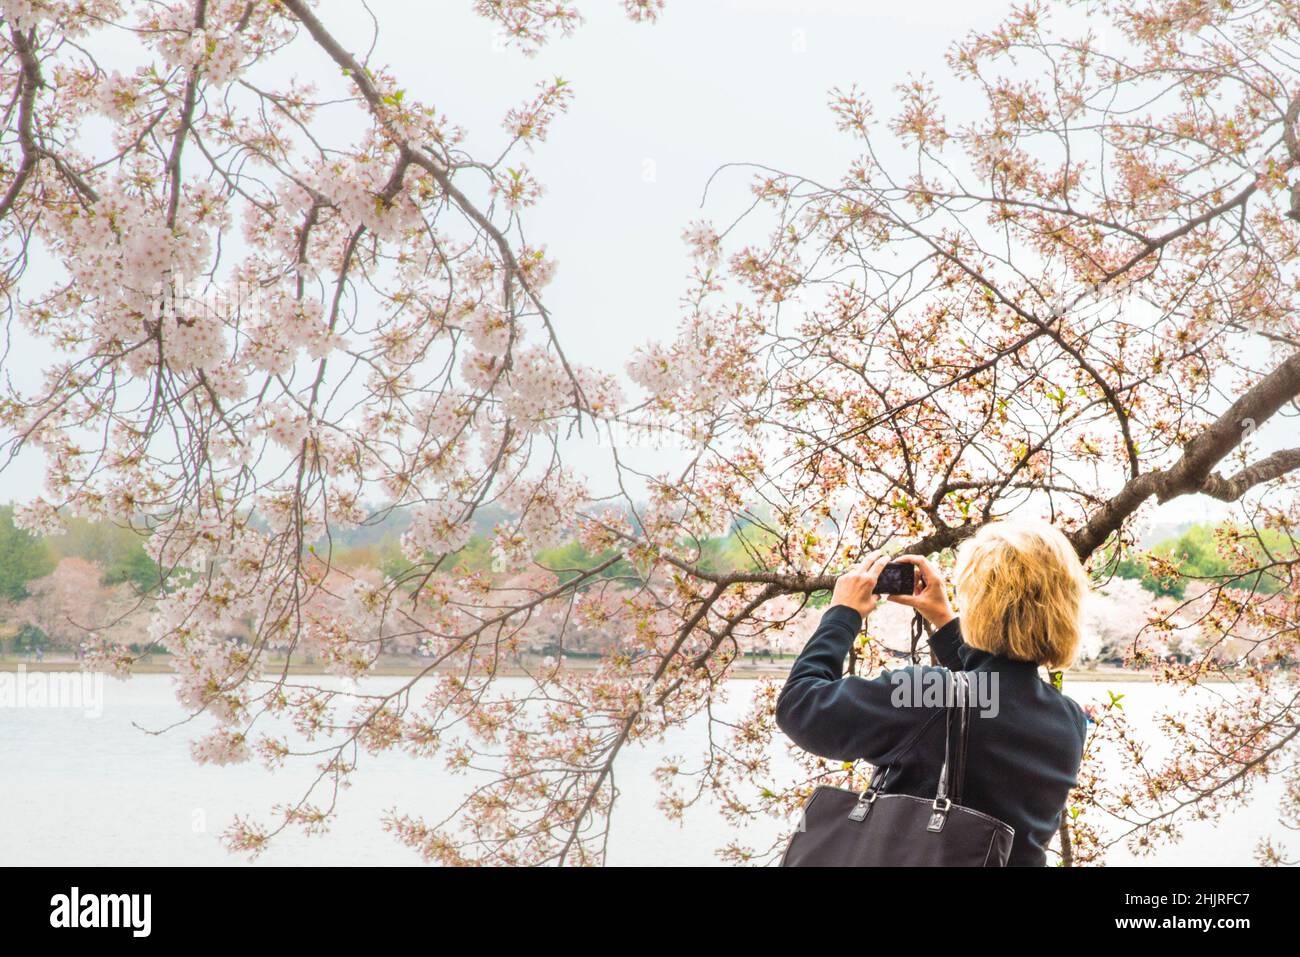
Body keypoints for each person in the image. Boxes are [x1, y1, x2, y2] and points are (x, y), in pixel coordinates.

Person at [776, 519, 1090, 866]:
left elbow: (801, 706)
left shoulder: (930, 695)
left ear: (980, 603)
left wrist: (841, 616)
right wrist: (944, 619)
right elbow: (989, 695)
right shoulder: (1069, 720)